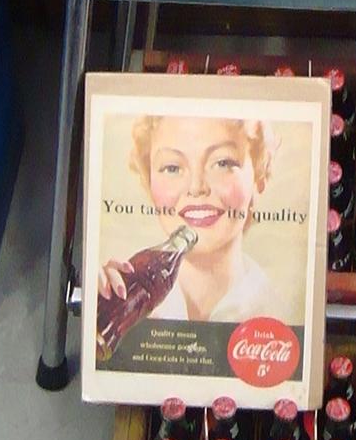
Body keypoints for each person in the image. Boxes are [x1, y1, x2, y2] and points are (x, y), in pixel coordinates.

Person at [98, 113, 280, 322]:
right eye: (172, 168)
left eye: (222, 163)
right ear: (149, 182)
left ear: (259, 176)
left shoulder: (279, 312)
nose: (196, 188)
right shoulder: (124, 299)